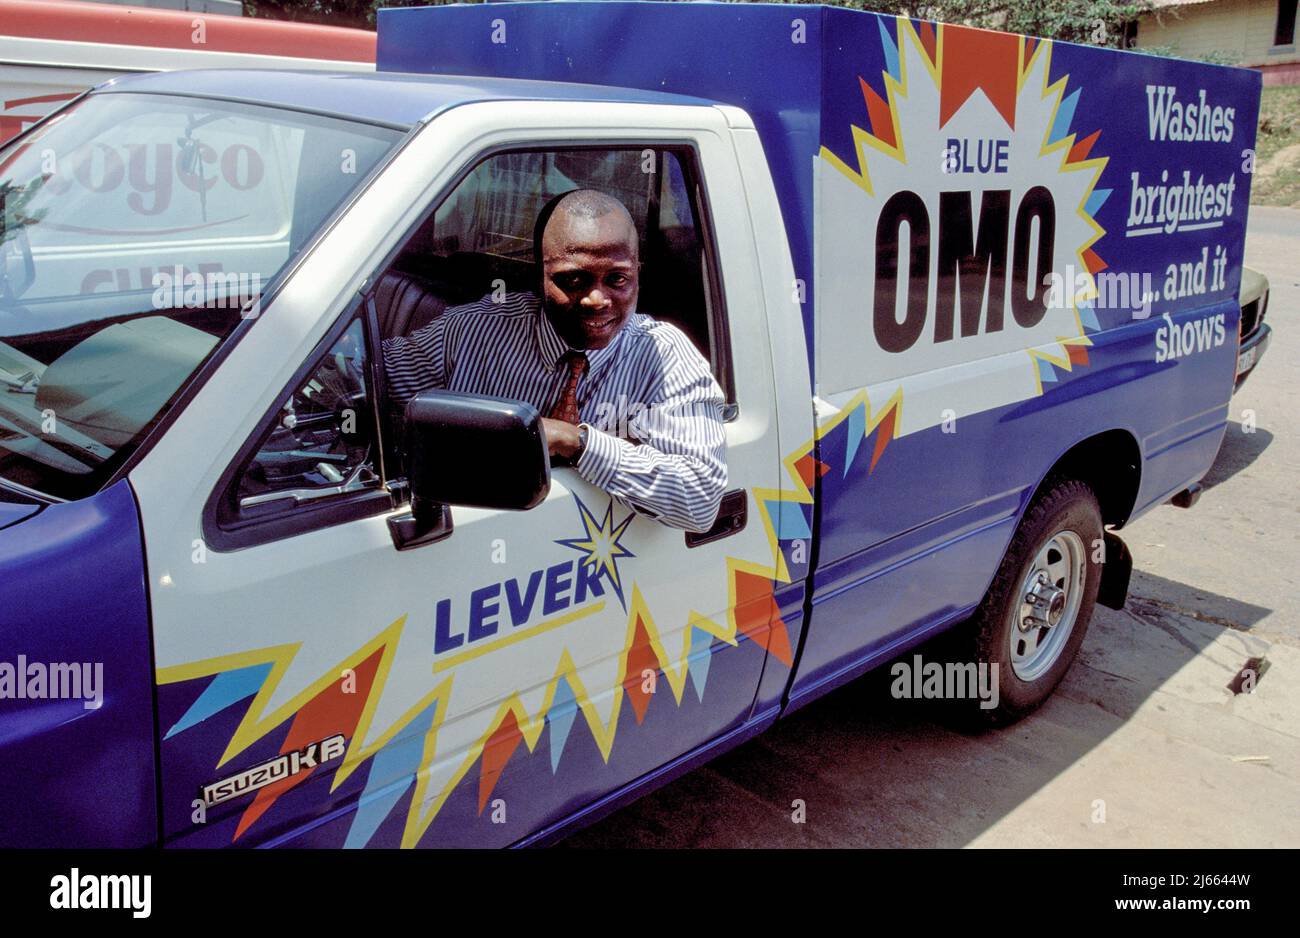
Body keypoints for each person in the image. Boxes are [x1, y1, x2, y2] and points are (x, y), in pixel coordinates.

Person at [381, 189, 727, 533]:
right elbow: (373, 378)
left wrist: (575, 441)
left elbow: (699, 502)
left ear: (637, 272)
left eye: (617, 279)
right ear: (540, 273)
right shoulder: (473, 331)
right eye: (574, 279)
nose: (596, 299)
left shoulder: (664, 356)